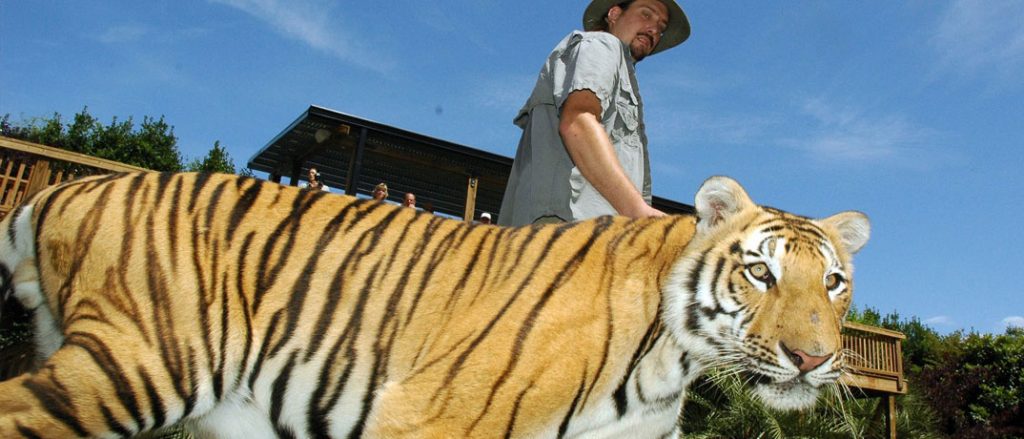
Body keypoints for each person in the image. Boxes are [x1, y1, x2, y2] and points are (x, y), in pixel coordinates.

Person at [498, 0, 690, 226]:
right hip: (569, 231)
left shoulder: (619, 69)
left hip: (582, 234)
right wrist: (637, 211)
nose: (654, 30)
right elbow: (578, 122)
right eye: (646, 15)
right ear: (614, 14)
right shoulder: (602, 45)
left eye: (661, 27)